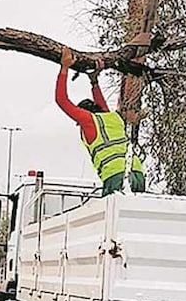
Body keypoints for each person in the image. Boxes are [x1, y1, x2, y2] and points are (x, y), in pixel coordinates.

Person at [55, 47, 146, 195]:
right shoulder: (113, 117)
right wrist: (94, 81)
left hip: (115, 175)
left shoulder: (88, 121)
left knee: (113, 208)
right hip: (137, 172)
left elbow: (62, 100)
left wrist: (64, 67)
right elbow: (102, 106)